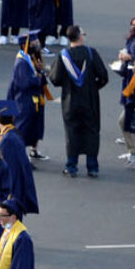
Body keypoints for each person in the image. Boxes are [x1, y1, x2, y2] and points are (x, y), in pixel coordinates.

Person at [50, 24, 107, 178]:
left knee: (72, 132)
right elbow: (103, 76)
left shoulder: (63, 56)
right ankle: (92, 167)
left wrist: (67, 85)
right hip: (90, 99)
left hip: (70, 100)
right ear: (80, 37)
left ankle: (71, 166)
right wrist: (93, 87)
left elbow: (55, 79)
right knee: (92, 131)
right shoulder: (91, 53)